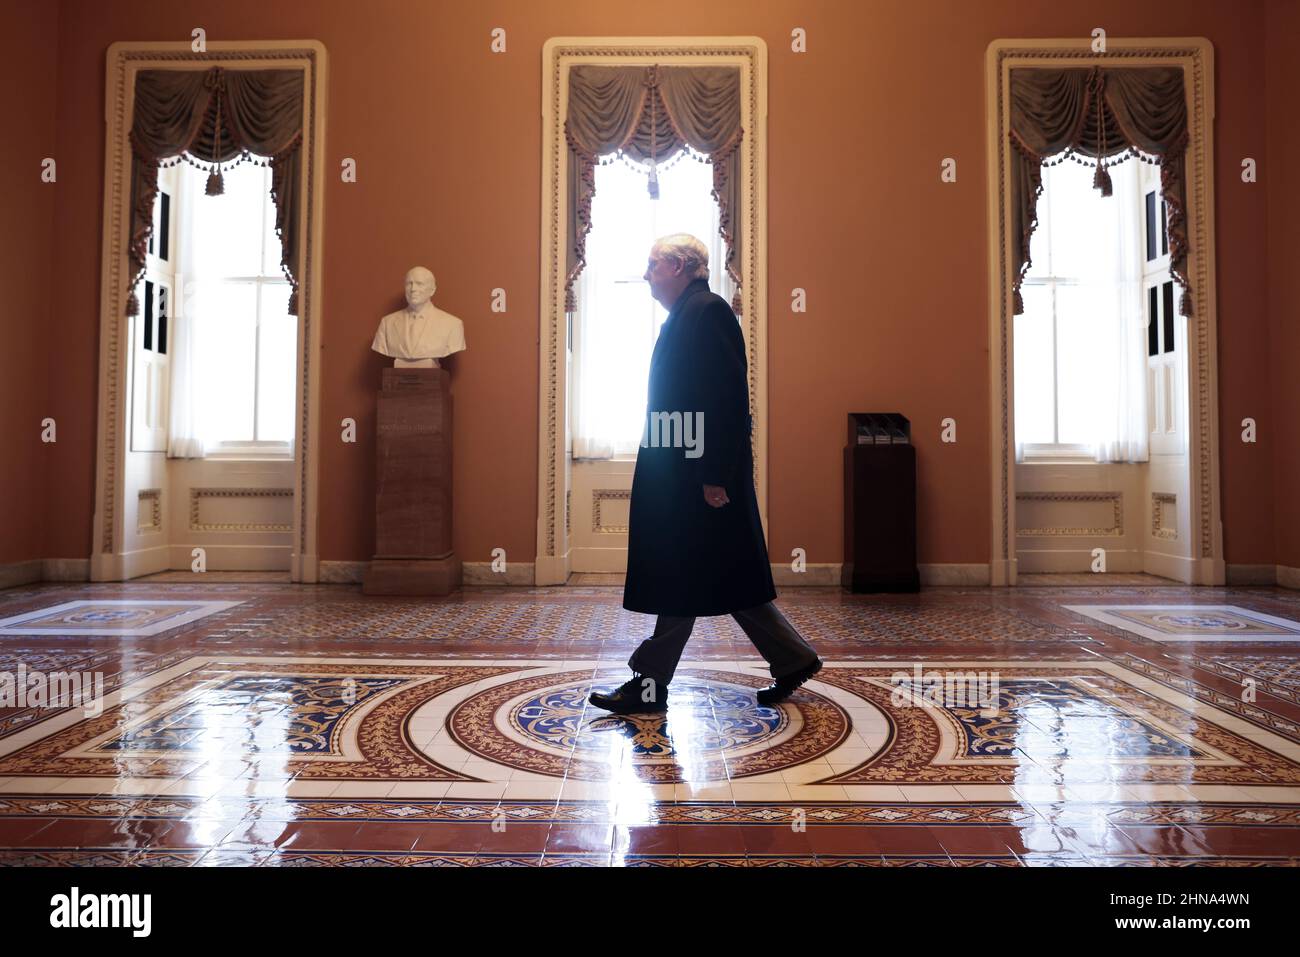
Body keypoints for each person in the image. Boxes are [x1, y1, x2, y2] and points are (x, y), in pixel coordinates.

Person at [589, 234, 822, 715]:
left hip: (697, 478)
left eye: (654, 265)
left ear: (678, 266)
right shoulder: (689, 313)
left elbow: (725, 400)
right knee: (714, 573)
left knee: (687, 573)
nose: (648, 273)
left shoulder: (706, 311)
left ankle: (649, 685)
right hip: (686, 472)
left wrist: (714, 475)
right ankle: (792, 657)